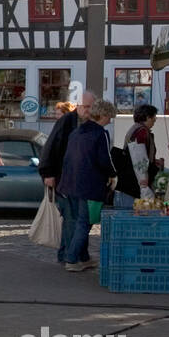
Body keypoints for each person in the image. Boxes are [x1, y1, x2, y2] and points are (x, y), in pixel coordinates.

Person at [57, 98, 117, 271]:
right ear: (103, 115)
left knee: (76, 222)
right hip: (89, 185)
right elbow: (104, 159)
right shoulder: (100, 133)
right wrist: (113, 175)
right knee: (84, 223)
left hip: (70, 183)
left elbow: (68, 157)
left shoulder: (76, 132)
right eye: (109, 117)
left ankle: (83, 258)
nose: (110, 121)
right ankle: (72, 259)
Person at [38, 89, 94, 263]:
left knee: (77, 220)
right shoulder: (67, 121)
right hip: (64, 179)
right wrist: (48, 173)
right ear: (78, 105)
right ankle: (72, 257)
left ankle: (74, 255)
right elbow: (51, 147)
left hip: (76, 180)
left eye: (91, 107)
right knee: (72, 220)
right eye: (86, 106)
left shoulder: (86, 123)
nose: (89, 110)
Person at [112, 103, 163, 209]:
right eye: (153, 117)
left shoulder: (135, 128)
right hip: (134, 181)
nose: (155, 120)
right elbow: (139, 157)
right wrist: (143, 181)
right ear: (148, 117)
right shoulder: (142, 132)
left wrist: (154, 161)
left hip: (129, 178)